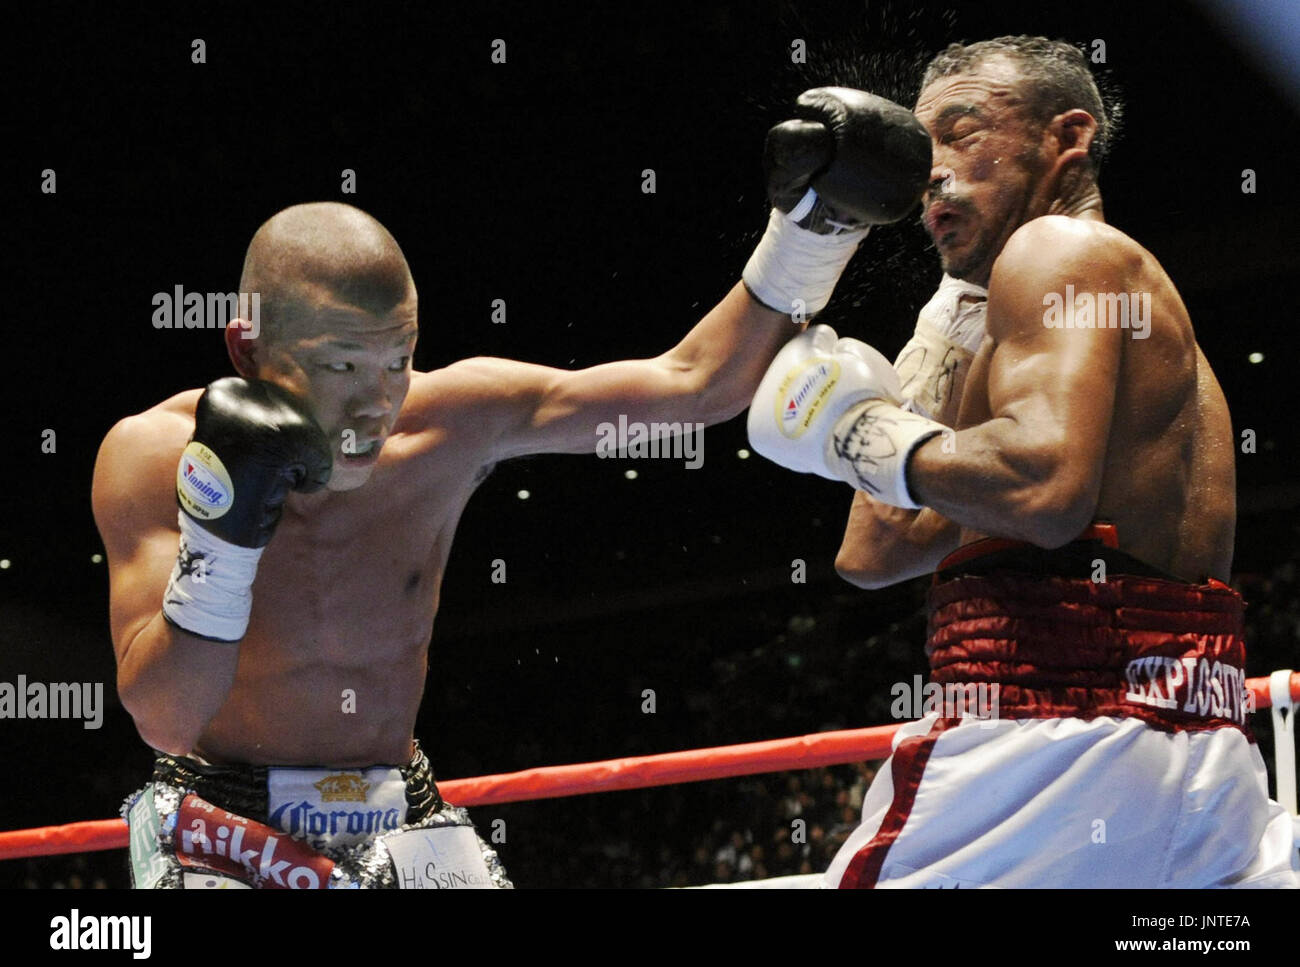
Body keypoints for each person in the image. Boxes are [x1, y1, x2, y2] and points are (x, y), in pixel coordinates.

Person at [92, 88, 931, 888]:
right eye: (340, 364)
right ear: (246, 351)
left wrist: (816, 228)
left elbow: (691, 385)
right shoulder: (153, 454)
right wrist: (223, 537)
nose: (377, 400)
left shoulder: (451, 420)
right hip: (222, 822)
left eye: (396, 358)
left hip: (398, 810)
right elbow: (166, 717)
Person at [747, 36, 1299, 888]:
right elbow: (875, 550)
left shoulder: (1060, 252)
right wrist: (946, 317)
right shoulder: (1047, 307)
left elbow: (1043, 490)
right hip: (1198, 761)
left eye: (961, 133)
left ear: (1066, 138)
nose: (930, 173)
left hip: (1050, 744)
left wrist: (857, 435)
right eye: (920, 153)